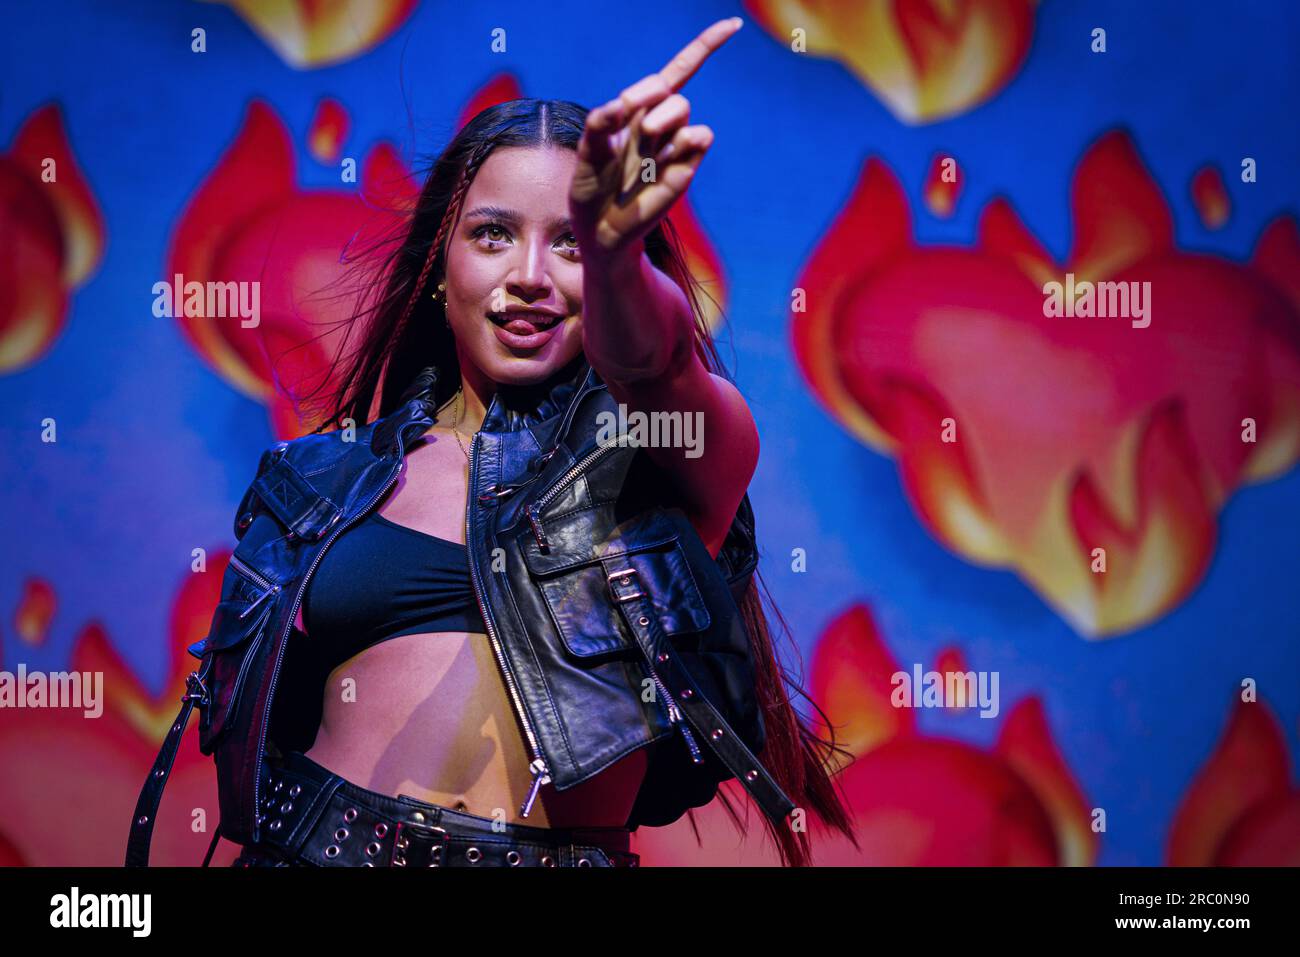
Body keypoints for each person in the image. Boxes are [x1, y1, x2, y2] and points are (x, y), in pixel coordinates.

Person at [127, 17, 855, 869]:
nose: (530, 277)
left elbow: (656, 363)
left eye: (570, 242)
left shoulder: (662, 455)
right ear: (442, 268)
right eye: (493, 234)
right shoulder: (317, 483)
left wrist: (615, 254)